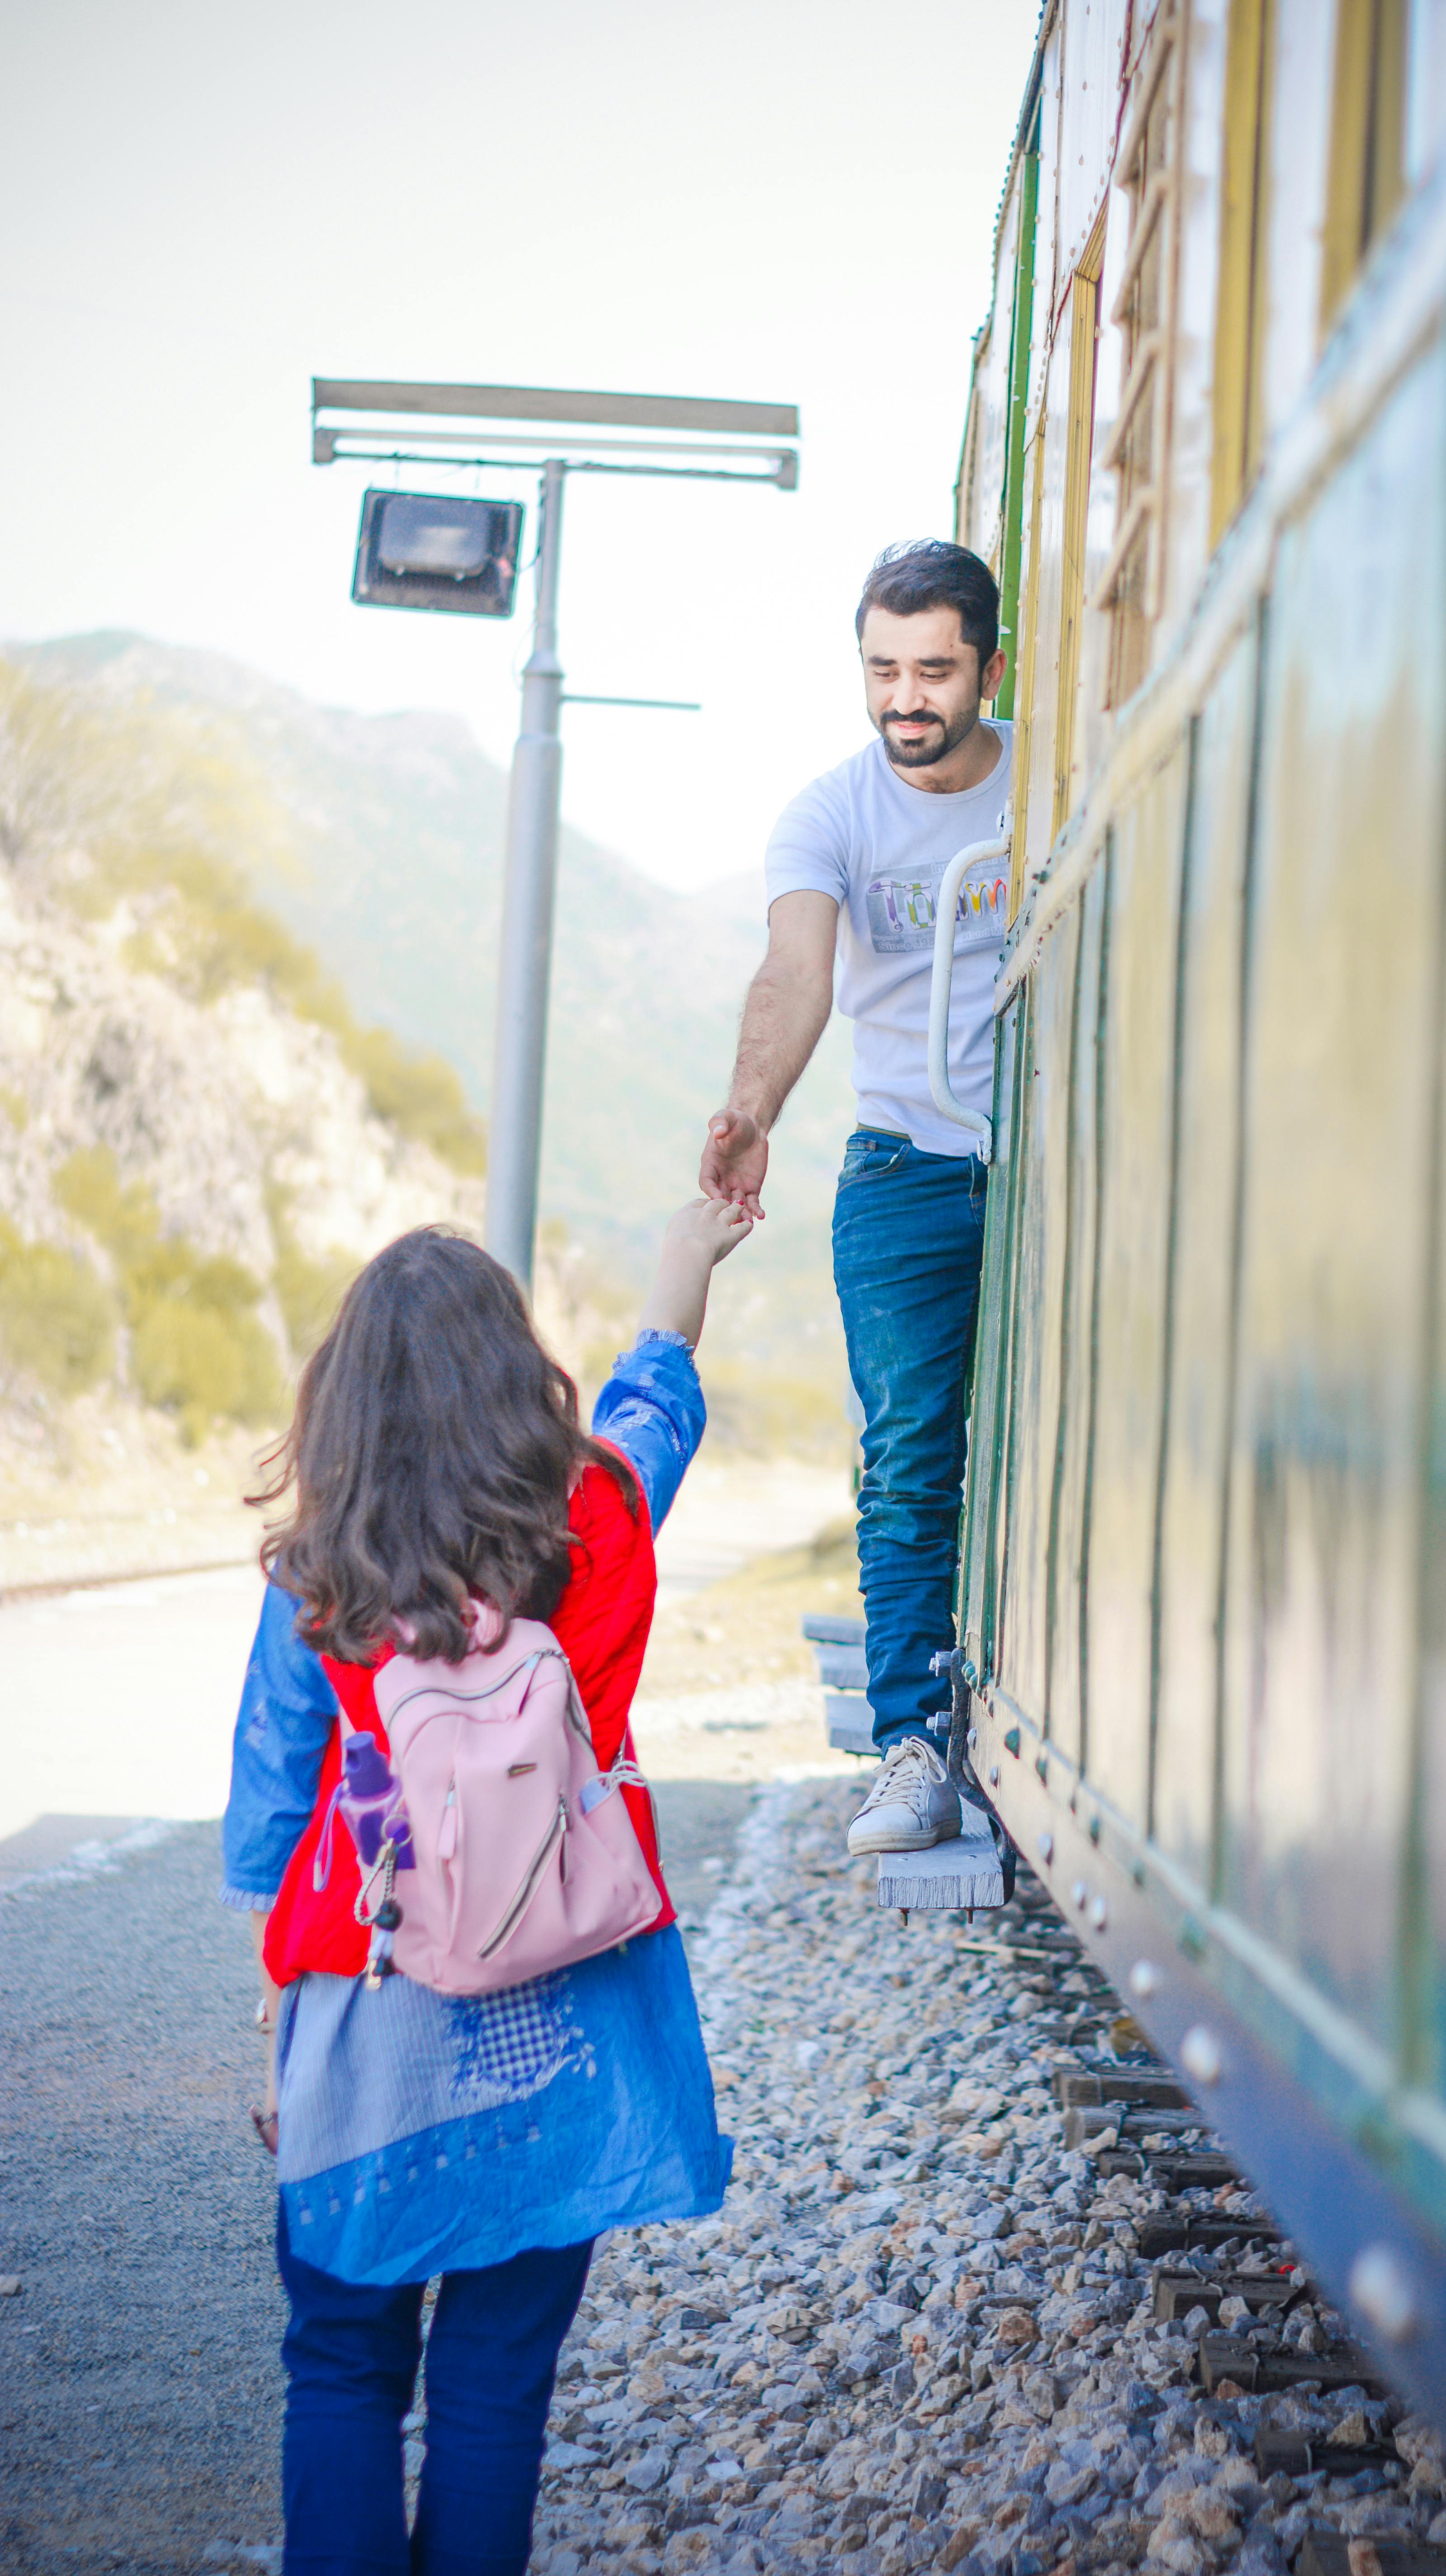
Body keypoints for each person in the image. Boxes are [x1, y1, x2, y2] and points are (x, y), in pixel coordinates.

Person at [219, 1197, 750, 2576]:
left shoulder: (319, 1572)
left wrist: (280, 2012)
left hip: (369, 2007)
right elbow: (656, 1410)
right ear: (519, 1385)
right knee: (494, 2391)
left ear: (344, 1411)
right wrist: (680, 1269)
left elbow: (271, 1830)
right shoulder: (599, 1528)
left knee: (339, 2368)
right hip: (562, 2035)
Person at [700, 538, 1010, 1861]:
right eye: (883, 670)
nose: (905, 698)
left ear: (987, 669)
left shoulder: (1059, 774)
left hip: (1052, 1162)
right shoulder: (829, 811)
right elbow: (794, 969)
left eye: (933, 670)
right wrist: (752, 1110)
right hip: (903, 1167)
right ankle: (912, 1749)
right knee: (908, 1460)